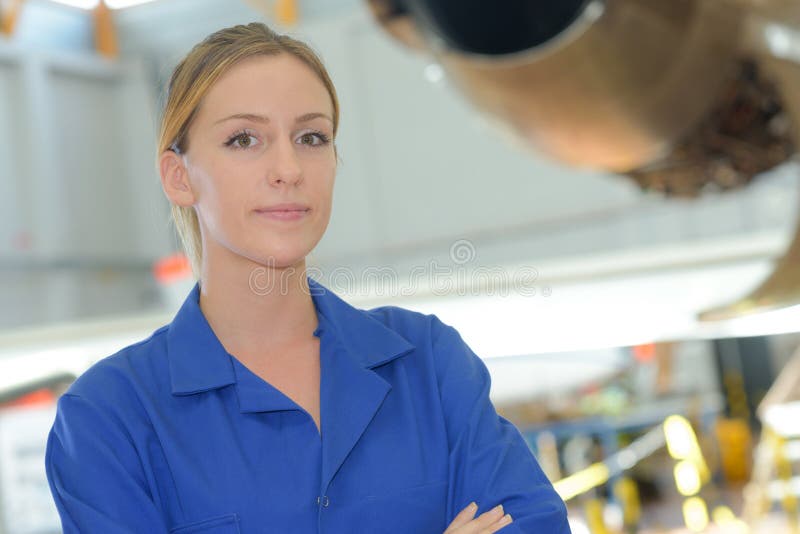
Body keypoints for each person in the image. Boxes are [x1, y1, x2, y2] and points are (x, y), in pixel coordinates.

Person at [44, 22, 570, 534]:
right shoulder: (108, 419)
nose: (288, 167)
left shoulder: (427, 364)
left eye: (312, 136)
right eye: (245, 139)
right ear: (179, 177)